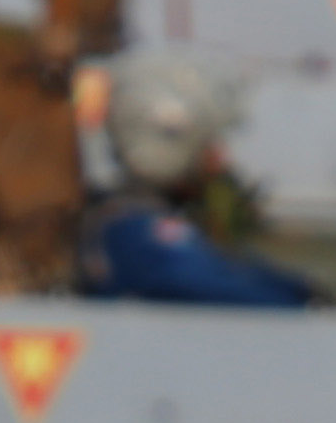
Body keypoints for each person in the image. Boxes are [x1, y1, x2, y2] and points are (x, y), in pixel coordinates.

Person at [79, 50, 319, 310]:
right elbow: (195, 278)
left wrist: (302, 290)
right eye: (208, 145)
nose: (220, 160)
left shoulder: (136, 220)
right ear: (169, 141)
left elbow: (231, 266)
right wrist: (302, 304)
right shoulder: (134, 229)